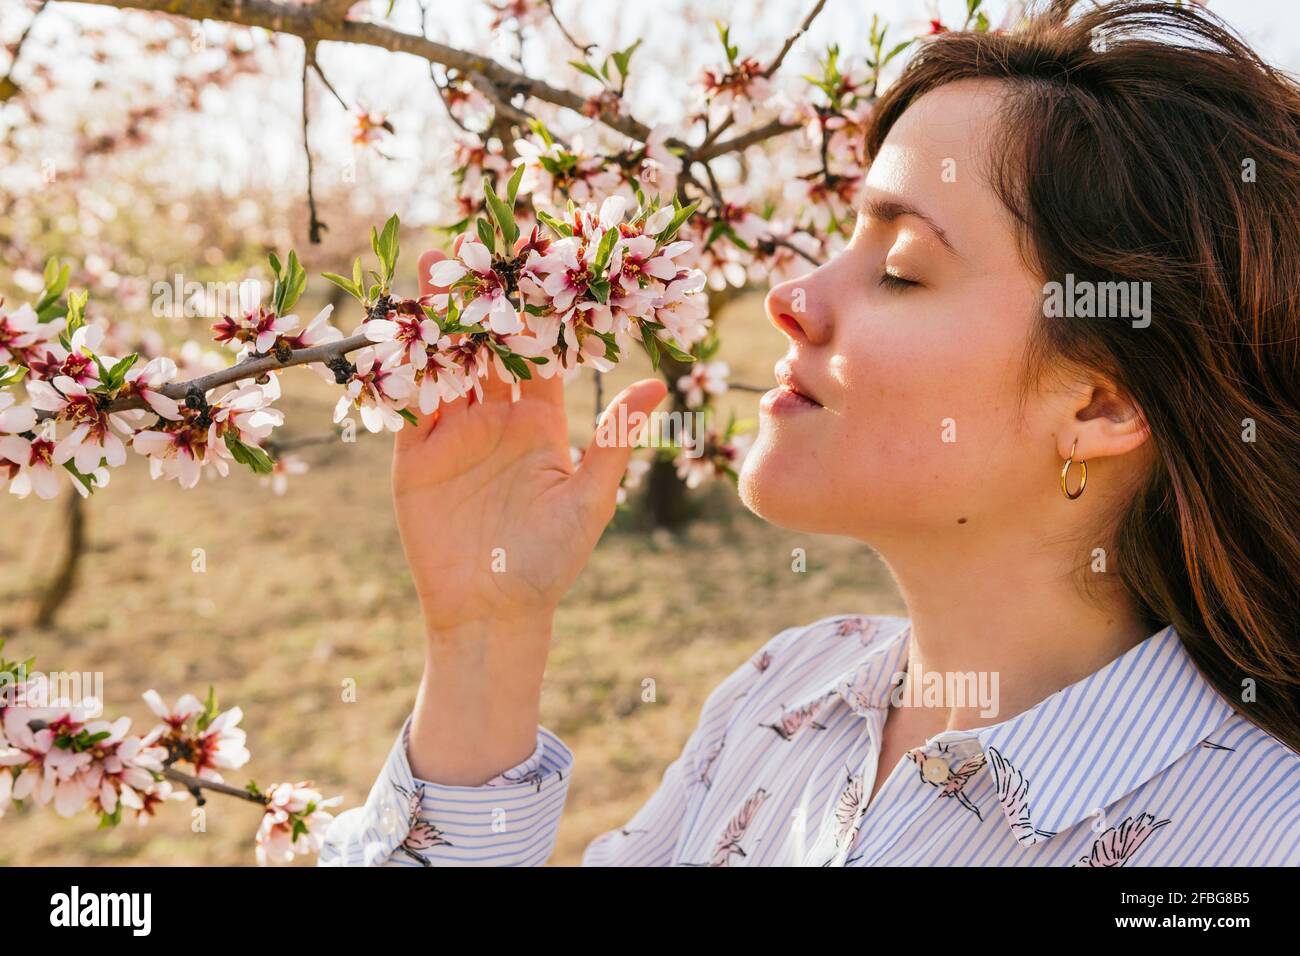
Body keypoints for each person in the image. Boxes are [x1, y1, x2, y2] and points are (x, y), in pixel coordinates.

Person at [319, 0, 1300, 867]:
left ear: (1096, 404)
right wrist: (485, 632)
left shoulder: (1255, 834)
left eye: (904, 269)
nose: (792, 296)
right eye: (842, 238)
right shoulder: (787, 691)